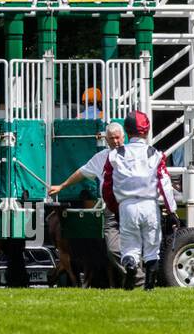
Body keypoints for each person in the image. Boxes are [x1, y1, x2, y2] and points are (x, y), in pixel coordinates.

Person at [49, 122, 140, 286]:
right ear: (106, 139)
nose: (115, 141)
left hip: (132, 206)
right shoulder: (101, 157)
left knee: (134, 244)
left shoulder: (135, 154)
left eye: (118, 138)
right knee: (112, 249)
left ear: (124, 137)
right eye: (111, 139)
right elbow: (81, 172)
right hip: (111, 209)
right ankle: (137, 277)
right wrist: (62, 186)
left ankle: (137, 278)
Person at [101, 111, 178, 290]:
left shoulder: (114, 155)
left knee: (129, 247)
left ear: (127, 131)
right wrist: (172, 210)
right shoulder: (156, 154)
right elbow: (164, 184)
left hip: (126, 205)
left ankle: (130, 265)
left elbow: (107, 186)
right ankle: (149, 286)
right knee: (152, 248)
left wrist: (115, 208)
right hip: (150, 205)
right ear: (147, 130)